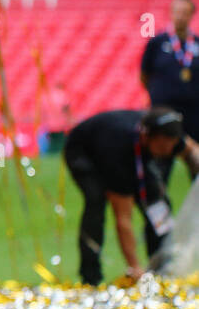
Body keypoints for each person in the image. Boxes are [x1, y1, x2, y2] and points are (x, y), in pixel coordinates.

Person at [63, 107, 199, 285]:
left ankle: (161, 265)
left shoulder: (170, 136)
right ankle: (90, 276)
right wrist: (134, 265)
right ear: (146, 137)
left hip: (130, 149)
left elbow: (192, 150)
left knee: (157, 201)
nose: (167, 150)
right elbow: (123, 219)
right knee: (95, 201)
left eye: (171, 145)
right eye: (161, 145)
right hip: (84, 152)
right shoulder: (119, 153)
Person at [141, 0, 199, 143]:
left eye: (184, 13)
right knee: (161, 145)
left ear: (192, 15)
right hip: (163, 107)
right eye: (177, 12)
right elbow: (144, 74)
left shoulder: (197, 43)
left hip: (193, 109)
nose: (180, 17)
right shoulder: (156, 42)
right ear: (170, 13)